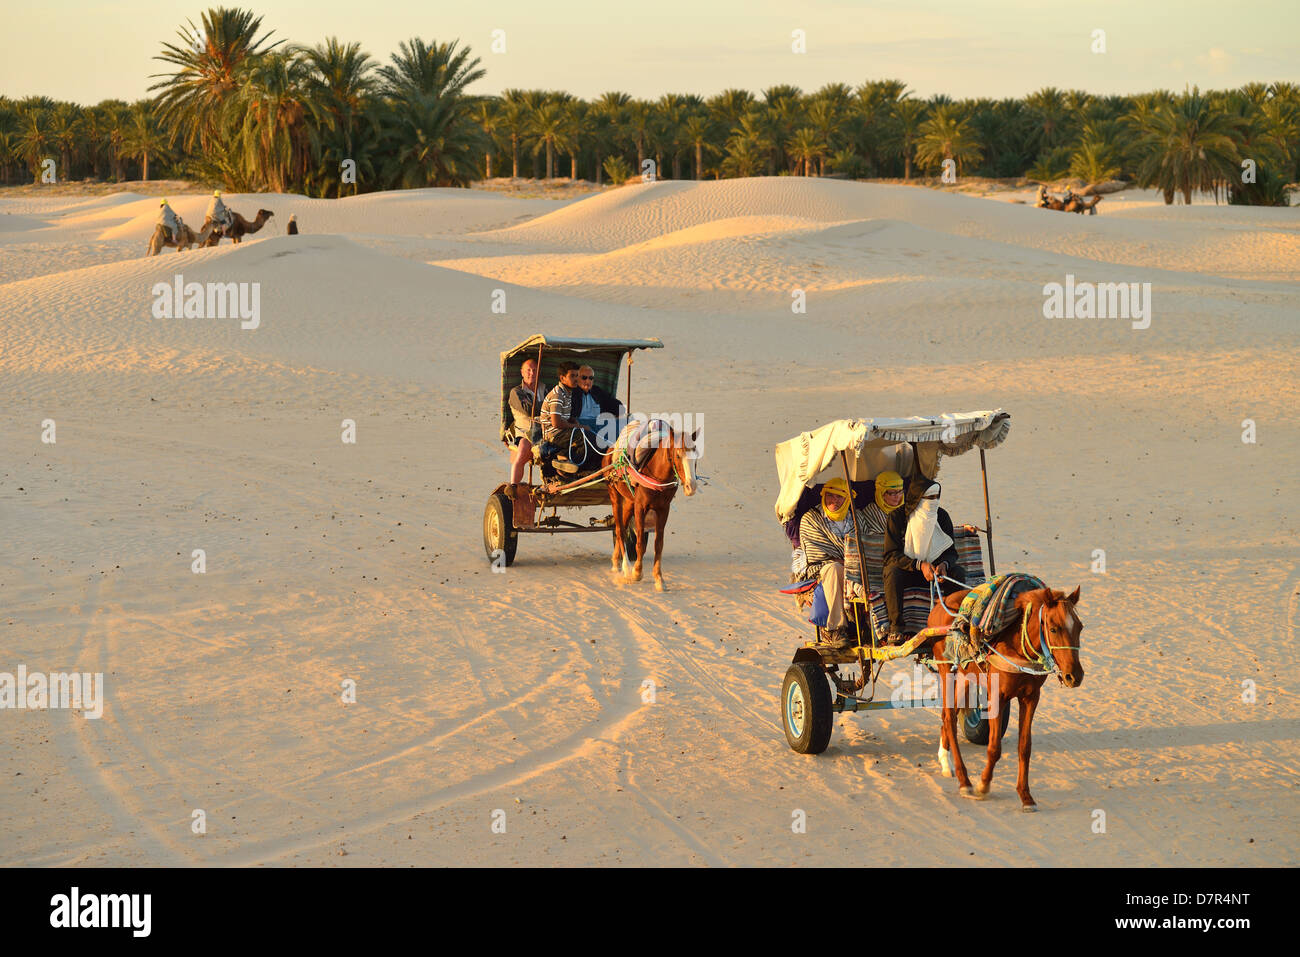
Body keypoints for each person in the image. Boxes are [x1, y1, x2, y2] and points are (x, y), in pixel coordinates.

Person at [798, 477, 896, 648]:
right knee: (835, 569)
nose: (833, 501)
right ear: (823, 495)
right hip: (821, 570)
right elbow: (816, 555)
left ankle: (879, 626)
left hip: (856, 567)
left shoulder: (857, 518)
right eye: (830, 495)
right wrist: (845, 559)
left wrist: (853, 560)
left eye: (839, 497)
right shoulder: (811, 519)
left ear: (848, 499)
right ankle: (836, 629)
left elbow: (866, 544)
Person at [882, 480, 965, 642]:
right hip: (907, 571)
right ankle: (896, 628)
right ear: (916, 498)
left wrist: (944, 565)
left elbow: (951, 552)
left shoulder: (942, 516)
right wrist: (919, 565)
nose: (933, 501)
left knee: (958, 573)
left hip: (935, 574)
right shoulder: (897, 517)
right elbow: (891, 555)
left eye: (936, 497)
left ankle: (953, 623)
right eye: (929, 497)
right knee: (892, 571)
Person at [540, 363, 599, 471]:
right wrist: (578, 427)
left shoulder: (567, 392)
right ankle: (566, 461)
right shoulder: (557, 395)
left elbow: (564, 416)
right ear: (562, 378)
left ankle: (572, 461)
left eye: (577, 375)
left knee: (594, 436)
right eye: (572, 376)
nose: (576, 379)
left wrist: (574, 421)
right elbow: (556, 423)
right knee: (591, 439)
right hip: (554, 434)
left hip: (562, 431)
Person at [506, 358, 544, 486]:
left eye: (535, 370)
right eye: (528, 370)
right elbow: (529, 411)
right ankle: (513, 486)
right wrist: (546, 408)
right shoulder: (516, 392)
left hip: (544, 431)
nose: (532, 373)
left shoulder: (543, 389)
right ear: (522, 372)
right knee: (523, 449)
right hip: (525, 432)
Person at [574, 365, 626, 451]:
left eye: (591, 378)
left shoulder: (597, 391)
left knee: (621, 424)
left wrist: (619, 412)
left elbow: (615, 405)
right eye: (584, 378)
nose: (588, 381)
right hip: (581, 425)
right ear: (577, 379)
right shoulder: (572, 393)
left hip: (598, 424)